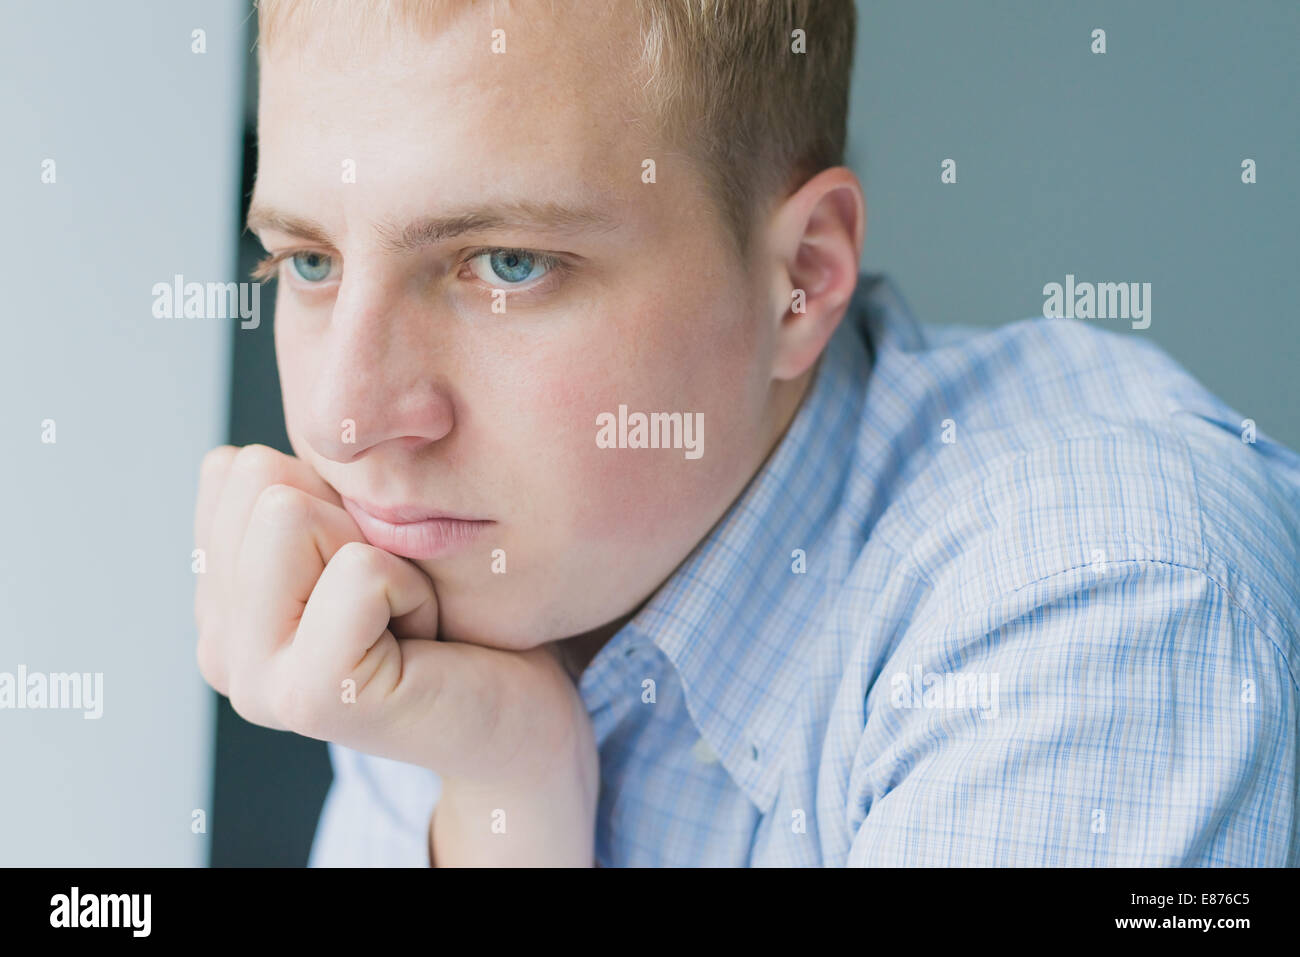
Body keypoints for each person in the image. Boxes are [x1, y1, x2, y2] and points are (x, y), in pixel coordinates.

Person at [193, 0, 1300, 865]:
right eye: (311, 263)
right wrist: (510, 786)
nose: (350, 416)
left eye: (508, 264)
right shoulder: (456, 557)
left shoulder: (1100, 605)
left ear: (800, 281)